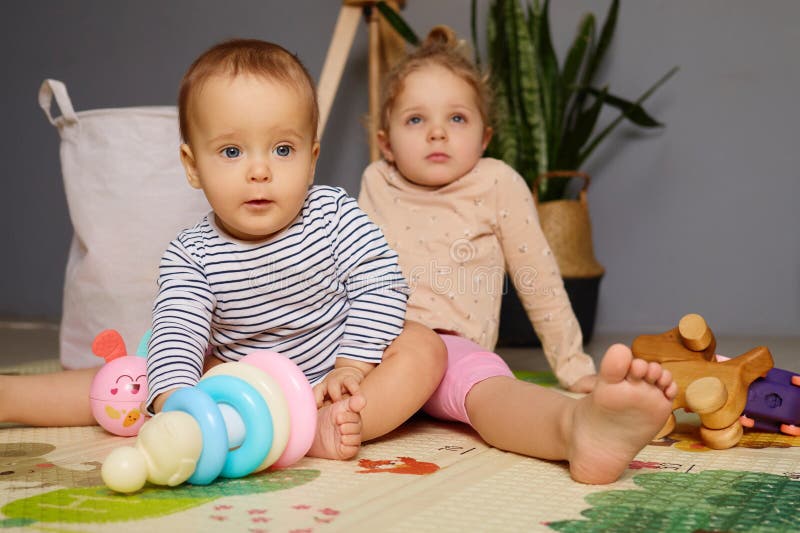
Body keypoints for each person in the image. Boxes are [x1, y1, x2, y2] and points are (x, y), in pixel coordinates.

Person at [0, 39, 446, 463]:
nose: (259, 170)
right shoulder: (191, 255)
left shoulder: (333, 215)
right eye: (232, 151)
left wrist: (353, 365)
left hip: (335, 374)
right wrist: (176, 400)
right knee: (140, 373)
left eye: (283, 149)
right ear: (193, 166)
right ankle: (10, 397)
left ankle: (327, 426)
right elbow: (178, 329)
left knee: (423, 347)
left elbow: (381, 285)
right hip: (244, 389)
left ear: (311, 160)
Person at [358, 27, 677, 484]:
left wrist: (573, 365)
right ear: (386, 143)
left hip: (448, 351)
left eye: (457, 118)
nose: (437, 133)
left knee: (491, 395)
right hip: (370, 346)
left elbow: (538, 279)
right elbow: (348, 267)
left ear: (485, 137)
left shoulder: (497, 183)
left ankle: (577, 430)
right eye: (415, 120)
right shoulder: (376, 180)